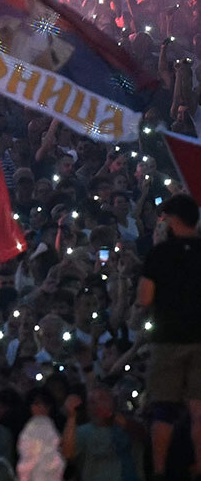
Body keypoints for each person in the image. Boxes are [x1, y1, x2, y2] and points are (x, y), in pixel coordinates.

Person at [136, 192, 201, 481]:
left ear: (173, 221)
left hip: (168, 339)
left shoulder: (160, 253)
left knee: (164, 407)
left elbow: (144, 298)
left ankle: (160, 470)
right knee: (199, 406)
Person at [16, 388, 65, 481]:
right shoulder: (22, 429)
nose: (41, 408)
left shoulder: (57, 428)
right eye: (37, 404)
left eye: (45, 405)